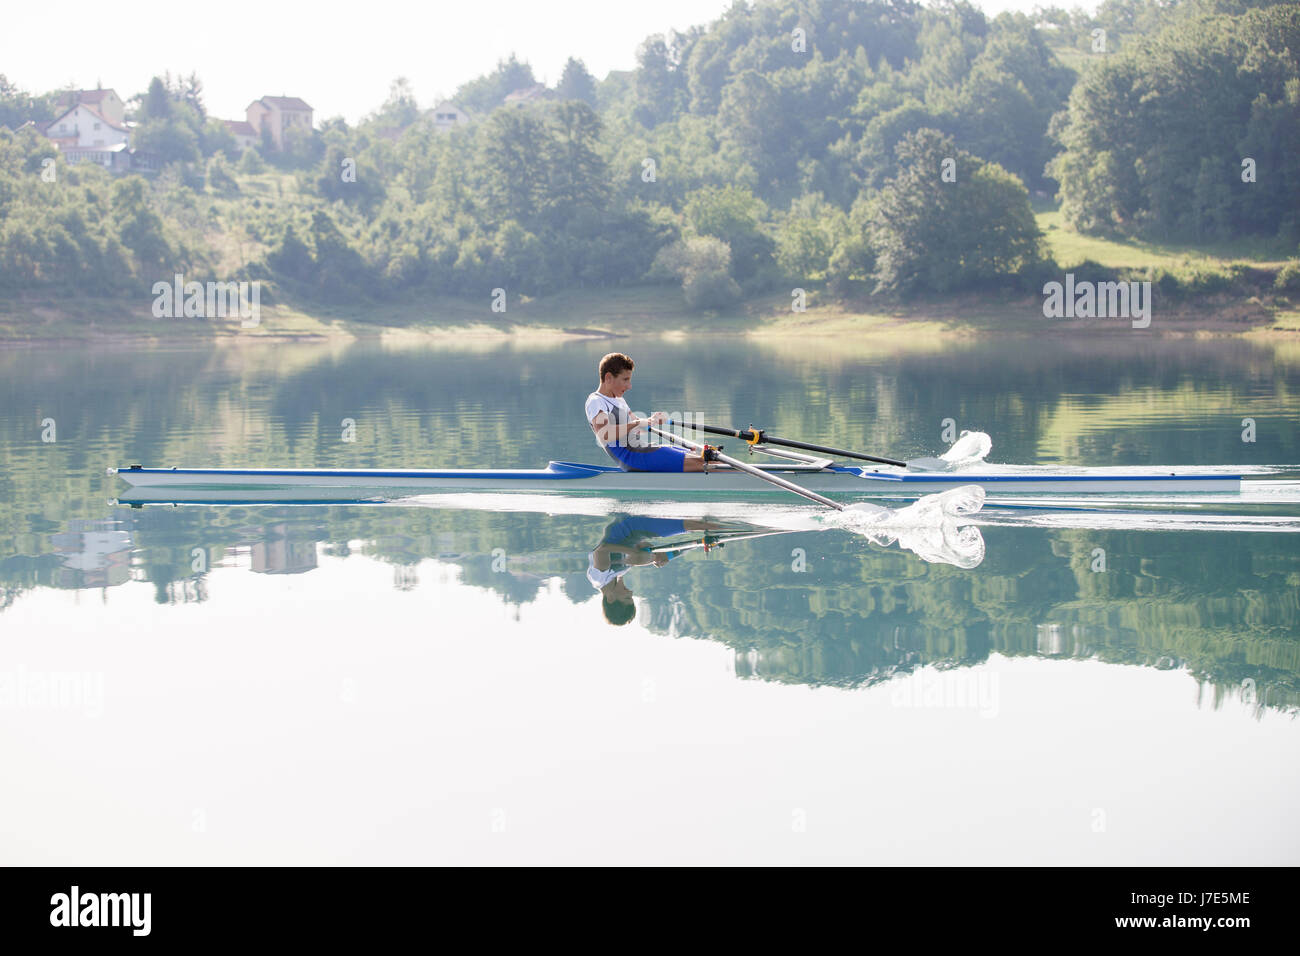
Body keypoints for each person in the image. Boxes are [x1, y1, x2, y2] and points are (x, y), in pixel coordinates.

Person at [585, 352, 713, 472]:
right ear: (608, 377)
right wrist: (636, 423)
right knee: (702, 461)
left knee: (704, 456)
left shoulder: (619, 400)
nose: (629, 386)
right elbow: (605, 434)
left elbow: (640, 427)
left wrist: (653, 420)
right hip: (632, 458)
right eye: (625, 379)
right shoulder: (596, 401)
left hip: (642, 451)